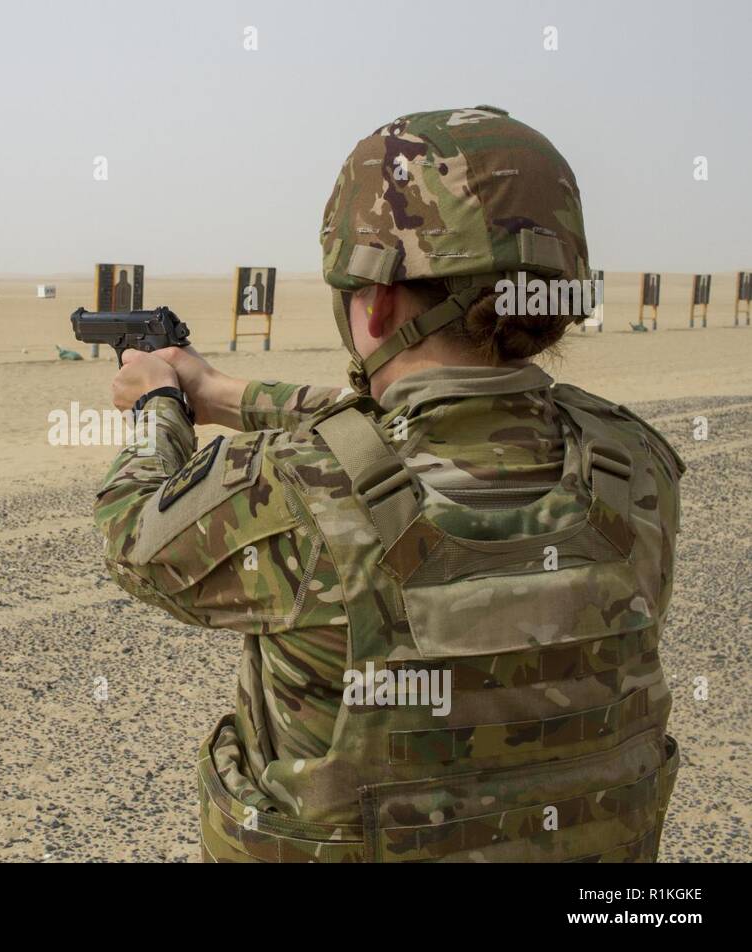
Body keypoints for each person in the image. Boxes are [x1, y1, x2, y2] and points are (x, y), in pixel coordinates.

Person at [94, 106, 685, 862]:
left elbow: (135, 531)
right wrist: (221, 391)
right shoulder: (634, 462)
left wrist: (156, 407)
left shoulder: (295, 488)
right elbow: (407, 426)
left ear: (374, 300)